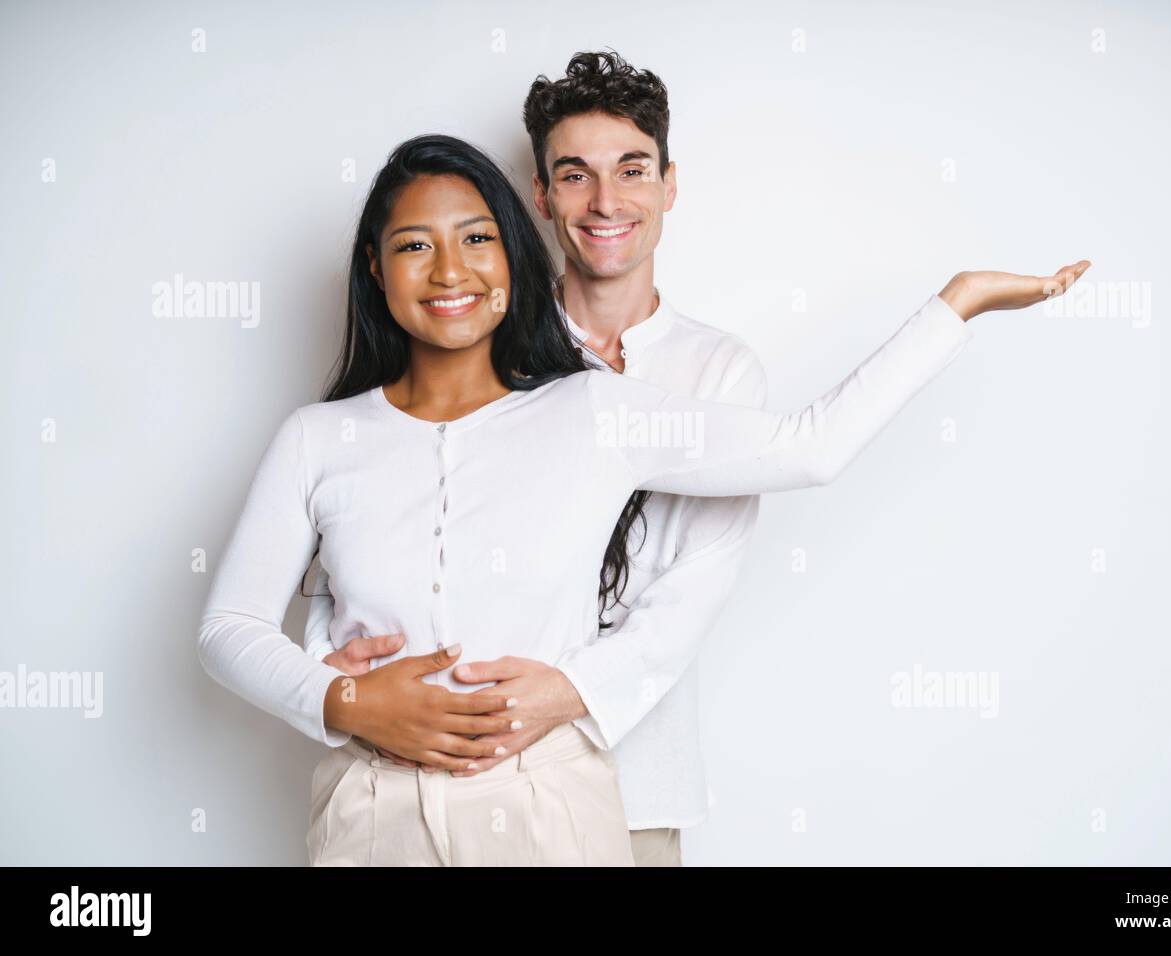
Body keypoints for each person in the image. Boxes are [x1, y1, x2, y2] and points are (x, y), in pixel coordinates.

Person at [196, 132, 1089, 866]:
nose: (448, 269)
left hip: (550, 813)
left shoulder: (593, 411)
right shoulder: (318, 438)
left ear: (513, 250)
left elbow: (809, 447)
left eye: (476, 238)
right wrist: (341, 702)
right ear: (375, 269)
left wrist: (956, 305)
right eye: (413, 245)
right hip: (373, 821)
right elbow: (227, 628)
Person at [301, 51, 765, 868]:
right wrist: (326, 671)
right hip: (446, 770)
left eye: (631, 170)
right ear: (542, 196)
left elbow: (695, 589)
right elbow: (361, 515)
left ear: (669, 184)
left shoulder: (719, 373)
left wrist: (568, 692)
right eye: (575, 176)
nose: (607, 201)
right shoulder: (473, 335)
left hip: (637, 777)